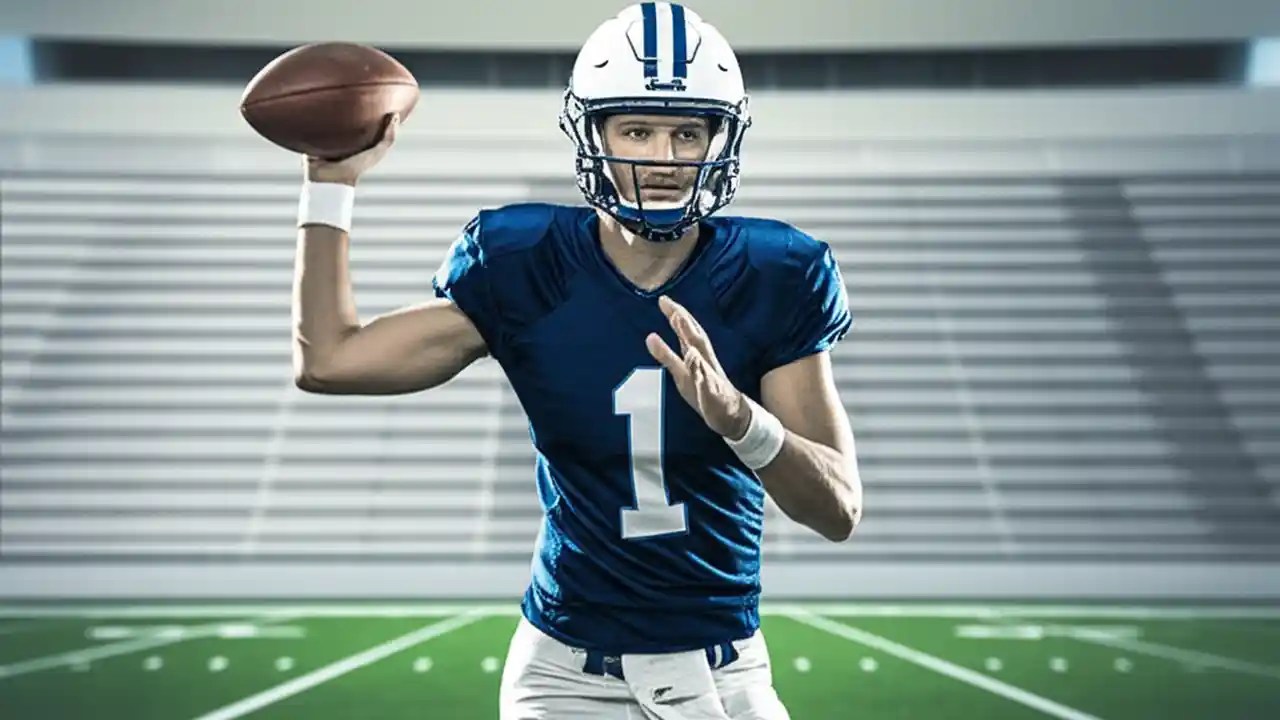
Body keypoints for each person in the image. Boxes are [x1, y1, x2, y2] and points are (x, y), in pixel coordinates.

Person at [292, 3, 862, 718]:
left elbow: (839, 510)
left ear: (721, 139)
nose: (663, 158)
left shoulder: (776, 273)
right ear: (593, 133)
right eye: (637, 130)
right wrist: (331, 181)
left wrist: (744, 423)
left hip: (723, 670)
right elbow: (330, 360)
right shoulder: (524, 263)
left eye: (688, 133)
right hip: (564, 677)